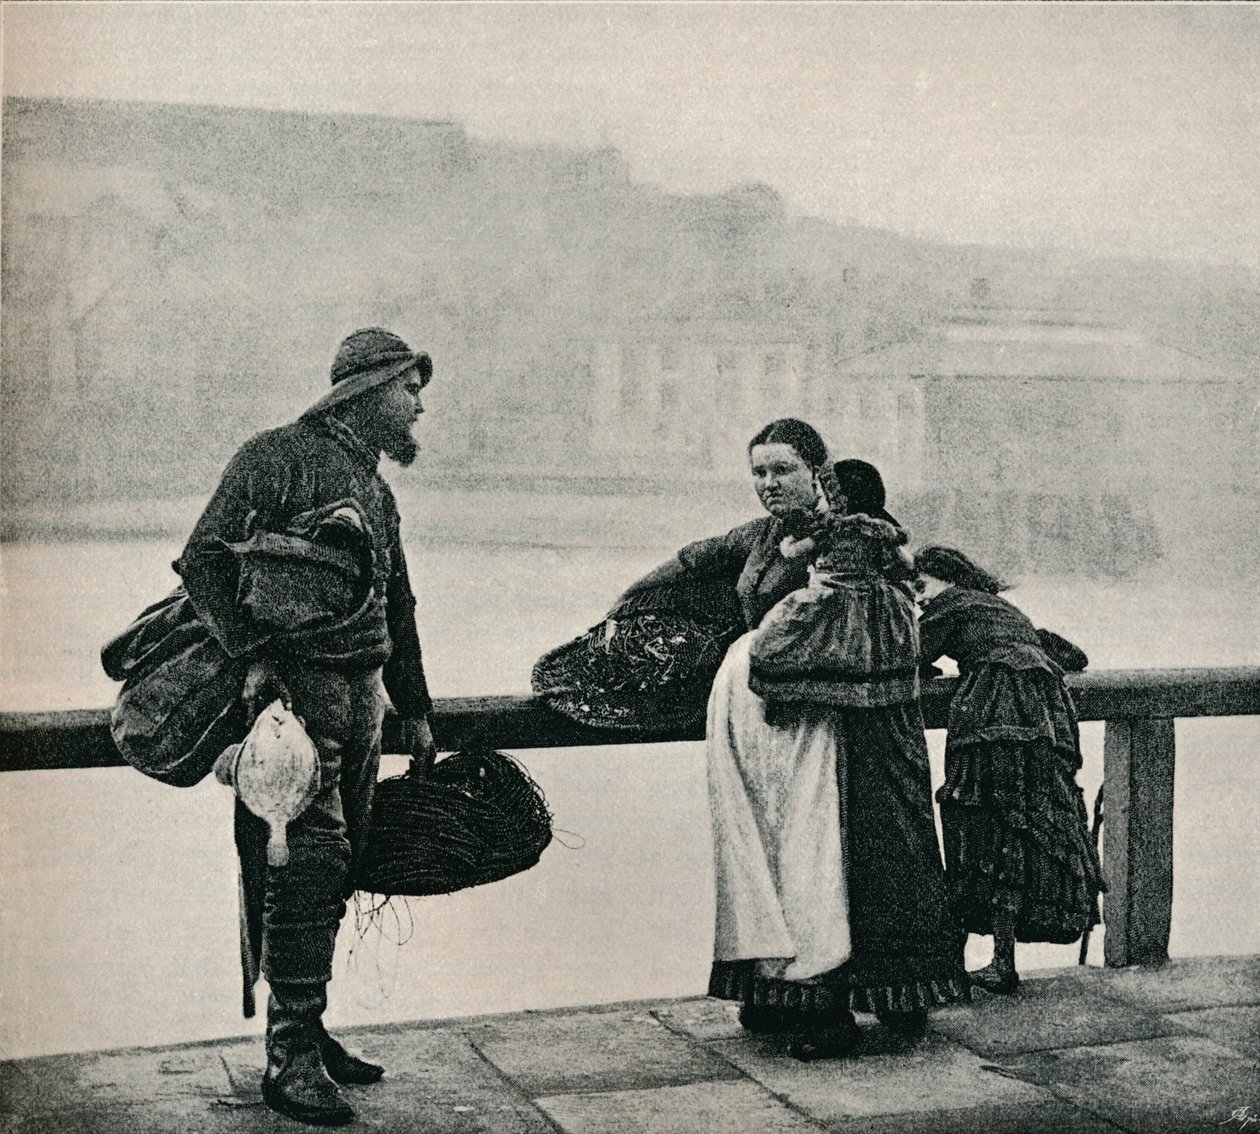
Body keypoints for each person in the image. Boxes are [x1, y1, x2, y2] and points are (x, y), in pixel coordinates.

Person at [176, 328, 438, 1126]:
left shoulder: (375, 487)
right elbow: (203, 560)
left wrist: (416, 707)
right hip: (295, 705)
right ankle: (288, 1057)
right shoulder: (273, 457)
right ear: (368, 391)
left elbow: (398, 604)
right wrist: (255, 654)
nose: (419, 406)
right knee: (307, 865)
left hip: (363, 706)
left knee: (337, 868)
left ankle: (310, 1029)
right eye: (409, 390)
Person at [705, 446, 967, 1060]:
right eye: (759, 473)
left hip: (850, 732)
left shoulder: (843, 570)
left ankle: (831, 1008)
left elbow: (794, 643)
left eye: (785, 472)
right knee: (872, 860)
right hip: (866, 722)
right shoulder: (876, 559)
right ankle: (892, 998)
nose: (770, 484)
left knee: (843, 863)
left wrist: (762, 657)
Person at [911, 545, 1104, 994]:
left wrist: (931, 664)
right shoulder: (1001, 607)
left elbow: (908, 654)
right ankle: (1001, 959)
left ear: (945, 577)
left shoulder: (952, 602)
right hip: (1045, 716)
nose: (919, 598)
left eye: (921, 586)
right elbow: (1072, 655)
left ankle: (965, 962)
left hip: (995, 712)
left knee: (982, 824)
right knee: (1019, 828)